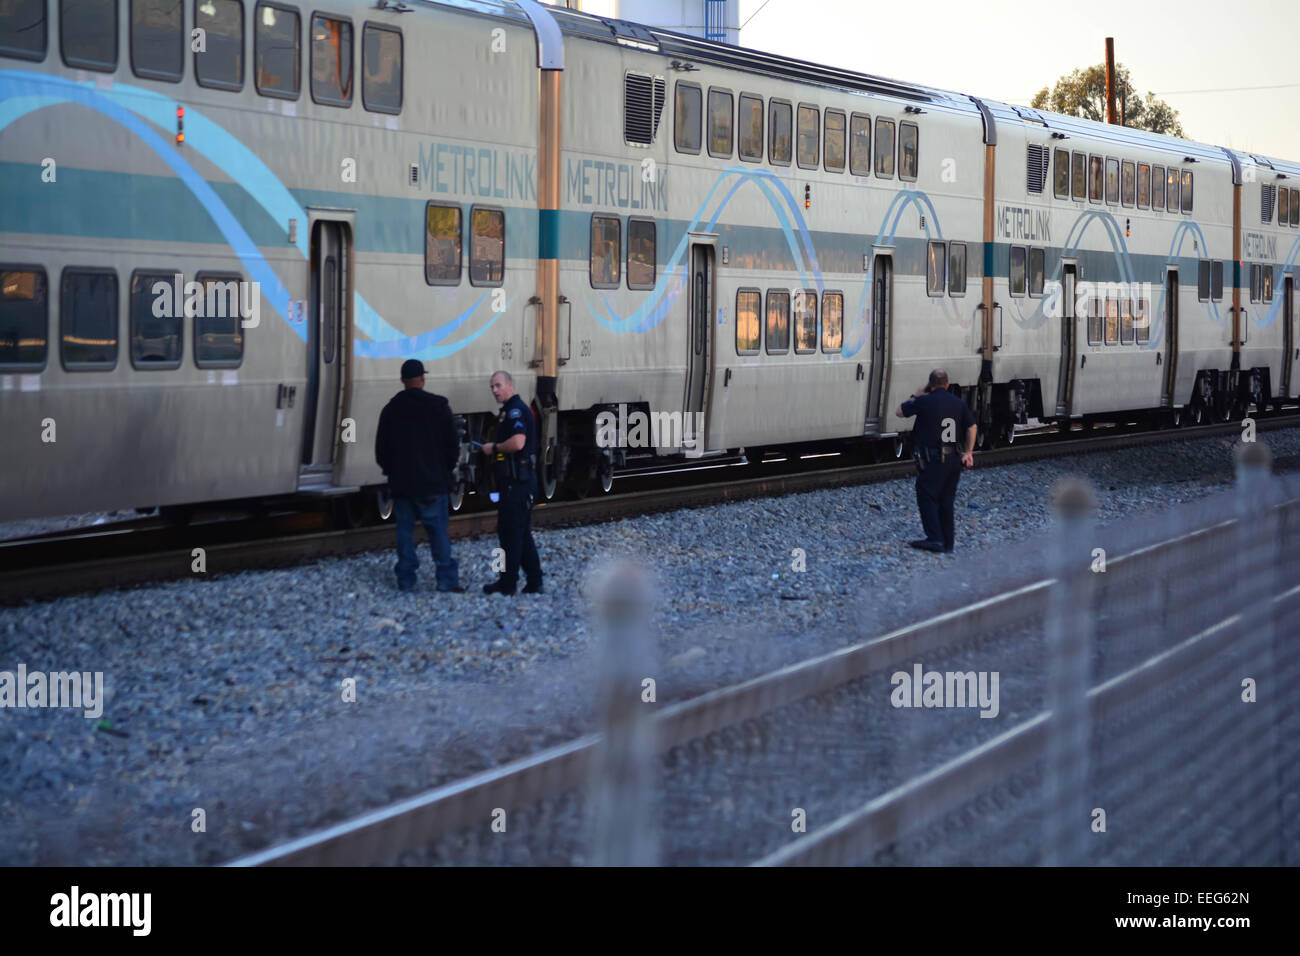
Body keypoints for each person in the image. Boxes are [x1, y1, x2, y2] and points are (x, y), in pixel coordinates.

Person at [375, 358, 464, 592]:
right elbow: (452, 446)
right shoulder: (439, 406)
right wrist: (444, 470)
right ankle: (446, 579)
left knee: (405, 532)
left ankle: (405, 580)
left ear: (403, 381)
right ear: (423, 380)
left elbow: (381, 449)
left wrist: (391, 472)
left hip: (403, 484)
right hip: (433, 482)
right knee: (437, 532)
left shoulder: (390, 409)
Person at [896, 368, 977, 553]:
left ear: (930, 385)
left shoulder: (924, 401)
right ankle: (948, 542)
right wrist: (969, 452)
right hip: (954, 459)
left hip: (933, 459)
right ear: (947, 385)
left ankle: (934, 538)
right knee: (947, 500)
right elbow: (972, 426)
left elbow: (899, 412)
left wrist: (916, 395)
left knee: (926, 495)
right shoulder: (958, 403)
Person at [481, 370, 543, 595]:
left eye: (498, 385)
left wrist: (494, 448)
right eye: (492, 387)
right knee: (520, 533)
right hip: (518, 482)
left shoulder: (515, 412)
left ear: (510, 385)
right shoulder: (510, 411)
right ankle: (535, 581)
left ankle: (506, 583)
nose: (495, 391)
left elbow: (518, 443)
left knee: (508, 534)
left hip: (516, 483)